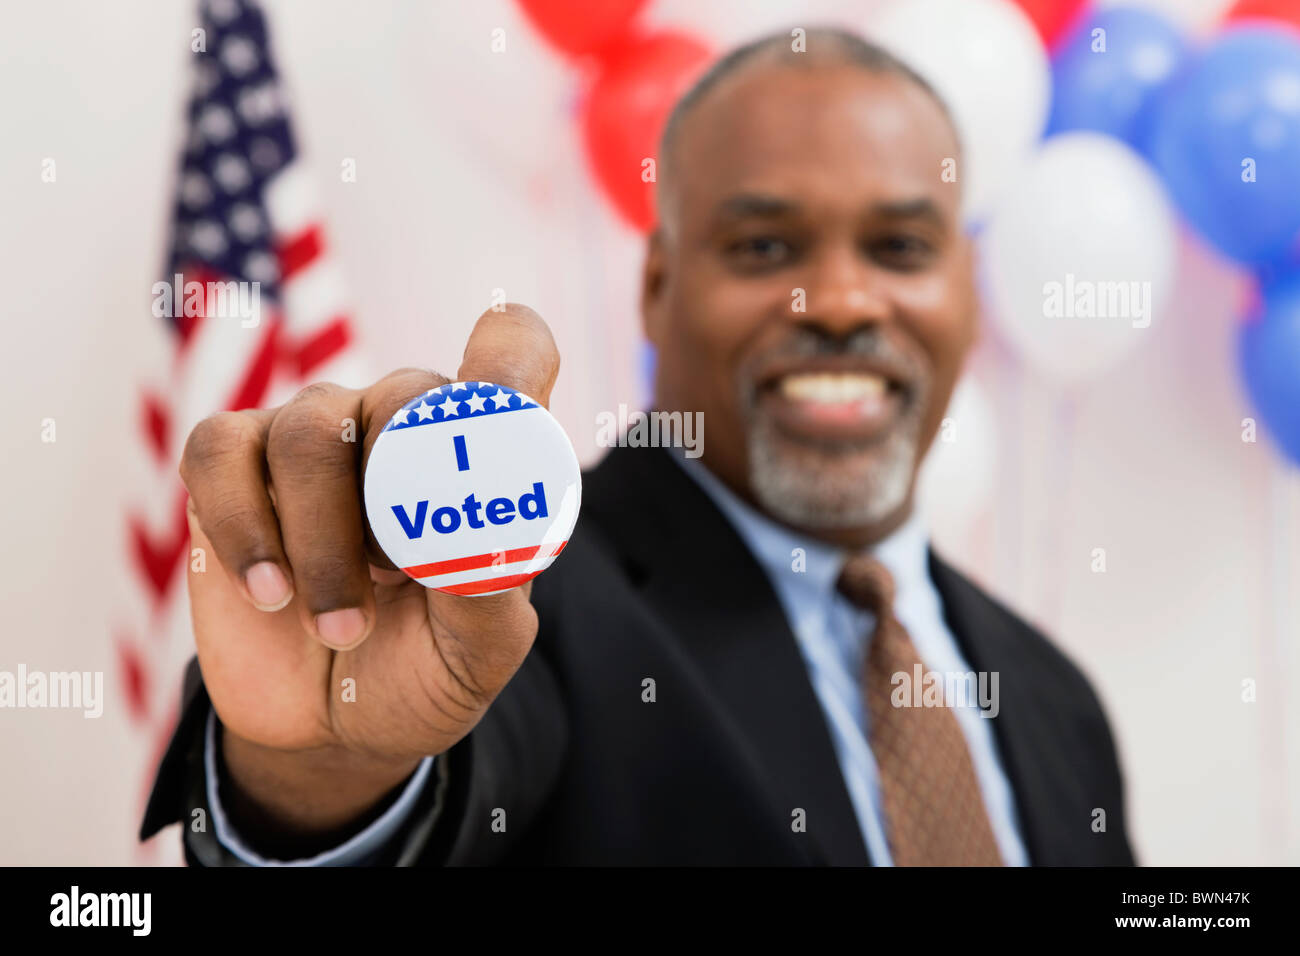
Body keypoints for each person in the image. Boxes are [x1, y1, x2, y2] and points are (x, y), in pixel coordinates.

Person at [140, 28, 1135, 866]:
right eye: (763, 247)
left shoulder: (1055, 696)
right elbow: (433, 773)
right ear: (656, 287)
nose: (836, 301)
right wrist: (323, 772)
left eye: (901, 248)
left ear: (967, 291)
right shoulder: (518, 590)